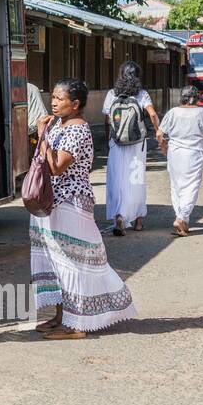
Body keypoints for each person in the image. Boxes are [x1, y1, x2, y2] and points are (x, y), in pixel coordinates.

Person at [31, 78, 138, 339]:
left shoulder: (78, 129)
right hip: (53, 201)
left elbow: (56, 165)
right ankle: (61, 316)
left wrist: (41, 135)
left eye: (60, 98)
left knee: (73, 263)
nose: (54, 102)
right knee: (57, 260)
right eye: (53, 97)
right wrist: (45, 133)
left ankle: (77, 325)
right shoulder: (58, 123)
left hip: (71, 201)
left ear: (75, 104)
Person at [103, 60, 164, 236]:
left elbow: (108, 120)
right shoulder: (142, 94)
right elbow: (152, 114)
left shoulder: (111, 94)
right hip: (137, 144)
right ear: (137, 76)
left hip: (116, 143)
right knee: (135, 180)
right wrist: (158, 131)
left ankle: (119, 216)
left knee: (117, 180)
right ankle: (138, 221)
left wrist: (110, 140)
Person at [158, 87, 203, 237]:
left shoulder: (172, 112)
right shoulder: (202, 113)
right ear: (196, 98)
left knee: (176, 185)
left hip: (175, 154)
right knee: (191, 185)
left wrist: (164, 147)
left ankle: (182, 219)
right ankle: (181, 217)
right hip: (194, 154)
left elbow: (160, 134)